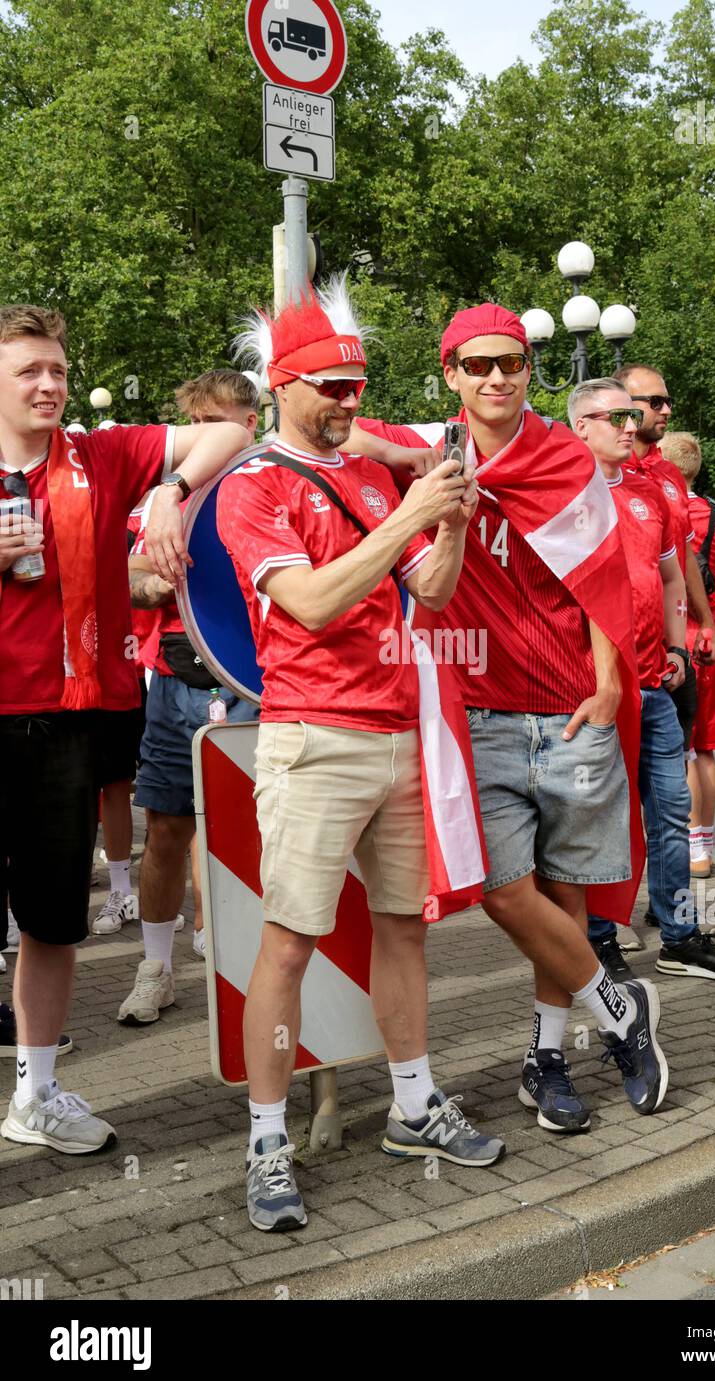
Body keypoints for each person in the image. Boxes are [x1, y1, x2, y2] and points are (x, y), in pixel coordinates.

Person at [217, 277, 507, 1233]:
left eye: (358, 386)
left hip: (399, 730)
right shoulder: (254, 485)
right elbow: (309, 603)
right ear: (281, 386)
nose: (350, 403)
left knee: (404, 928)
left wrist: (452, 524)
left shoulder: (380, 478)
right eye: (331, 388)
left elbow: (431, 593)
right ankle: (265, 1141)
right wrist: (410, 515)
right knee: (288, 944)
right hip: (313, 737)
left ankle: (415, 1105)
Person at [349, 305, 669, 1139]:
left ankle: (546, 1058)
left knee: (565, 897)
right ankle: (620, 1008)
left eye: (513, 362)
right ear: (450, 372)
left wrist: (606, 689)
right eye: (478, 364)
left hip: (569, 708)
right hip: (480, 715)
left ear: (530, 370)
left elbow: (603, 578)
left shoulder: (566, 458)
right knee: (502, 890)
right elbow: (316, 428)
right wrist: (169, 493)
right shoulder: (430, 449)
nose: (497, 377)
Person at [0, 303, 249, 1156]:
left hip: (68, 723)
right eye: (29, 369)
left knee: (51, 922)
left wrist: (171, 493)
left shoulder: (99, 456)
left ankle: (35, 1093)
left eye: (57, 370)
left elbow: (229, 438)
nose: (48, 384)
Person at [572, 388, 715, 983]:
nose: (632, 426)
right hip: (597, 690)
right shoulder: (562, 494)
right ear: (579, 428)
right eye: (616, 417)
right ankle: (598, 942)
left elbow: (673, 575)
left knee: (672, 812)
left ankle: (677, 935)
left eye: (634, 415)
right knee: (602, 818)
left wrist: (679, 644)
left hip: (654, 684)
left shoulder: (651, 491)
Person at [116, 371, 260, 1022]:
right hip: (174, 686)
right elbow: (132, 577)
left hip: (255, 688)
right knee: (168, 831)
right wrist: (161, 582)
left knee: (259, 836)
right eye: (193, 425)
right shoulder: (162, 501)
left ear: (249, 424)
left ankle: (268, 973)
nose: (199, 439)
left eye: (216, 423)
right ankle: (156, 969)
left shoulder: (274, 481)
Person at [613, 366, 715, 759]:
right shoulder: (600, 470)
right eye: (656, 402)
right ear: (624, 405)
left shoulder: (670, 474)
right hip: (618, 654)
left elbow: (683, 554)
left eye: (668, 402)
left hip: (670, 653)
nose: (667, 411)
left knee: (672, 782)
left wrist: (706, 623)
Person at [661, 432, 715, 879]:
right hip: (712, 632)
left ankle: (687, 846)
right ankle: (704, 841)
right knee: (705, 748)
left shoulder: (667, 505)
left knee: (680, 749)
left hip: (677, 631)